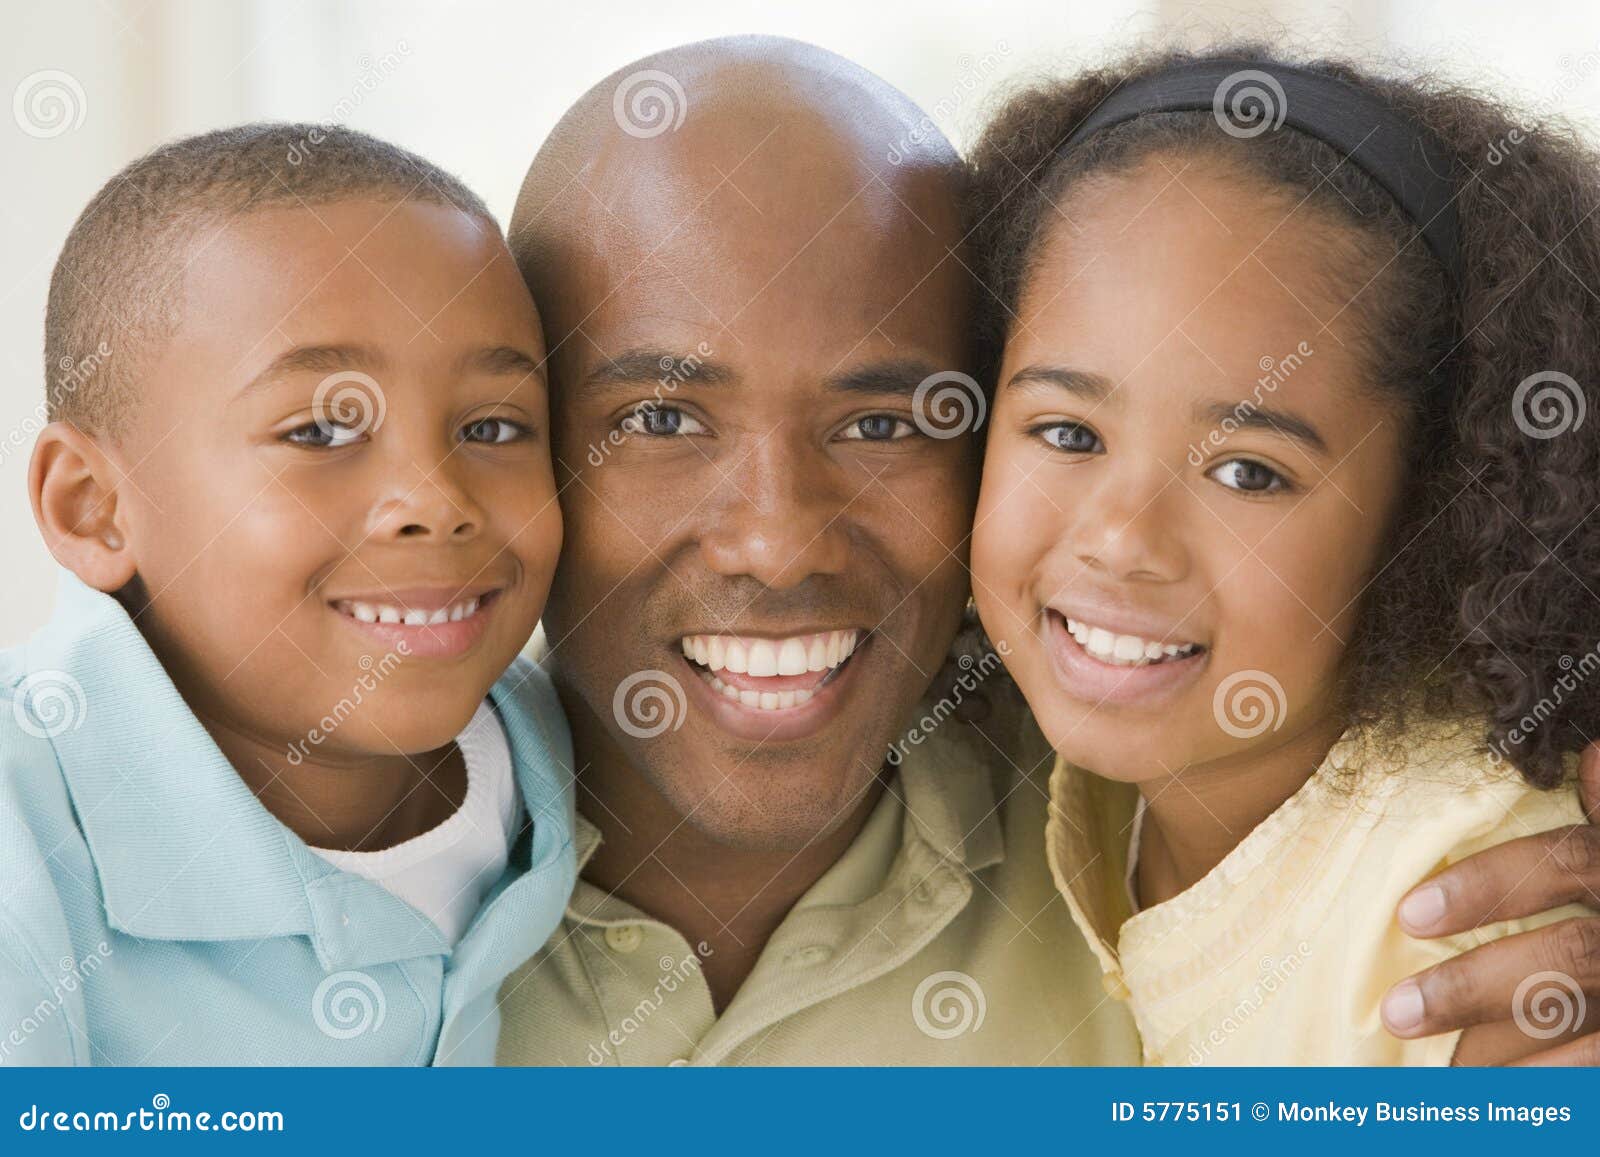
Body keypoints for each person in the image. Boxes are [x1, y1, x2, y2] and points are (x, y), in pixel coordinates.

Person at [495, 35, 1600, 1065]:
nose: (779, 547)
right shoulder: (400, 861)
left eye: (881, 424)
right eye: (660, 420)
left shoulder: (1449, 904)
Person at [966, 46, 1600, 1063]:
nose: (1121, 538)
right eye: (1069, 433)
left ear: (1427, 508)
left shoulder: (1470, 920)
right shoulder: (1015, 756)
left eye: (1248, 472)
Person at [0, 124, 574, 1065]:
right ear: (93, 507)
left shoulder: (569, 757)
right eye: (320, 432)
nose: (436, 502)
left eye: (493, 427)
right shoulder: (22, 848)